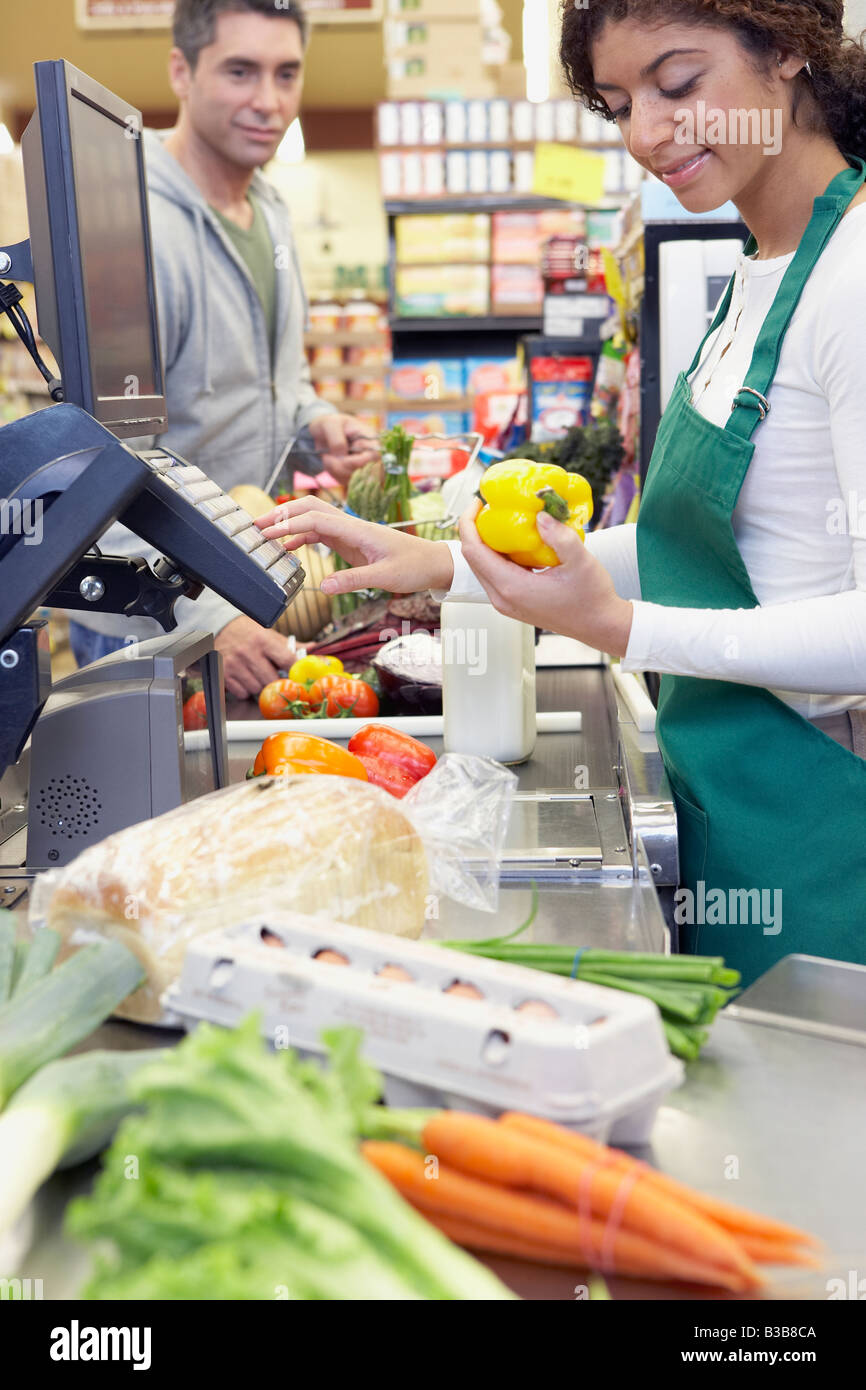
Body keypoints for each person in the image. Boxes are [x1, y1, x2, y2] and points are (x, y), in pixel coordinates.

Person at [257, 0, 866, 985]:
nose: (644, 134)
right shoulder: (753, 273)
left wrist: (617, 627)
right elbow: (695, 544)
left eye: (677, 85)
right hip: (740, 807)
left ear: (788, 48)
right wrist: (447, 564)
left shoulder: (852, 277)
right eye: (620, 102)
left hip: (827, 833)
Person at [67, 0, 378, 698]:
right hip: (152, 619)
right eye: (240, 71)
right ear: (182, 71)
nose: (269, 101)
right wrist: (206, 616)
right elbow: (99, 459)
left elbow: (277, 381)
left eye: (286, 73)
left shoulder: (268, 209)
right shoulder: (126, 223)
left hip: (246, 587)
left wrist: (314, 425)